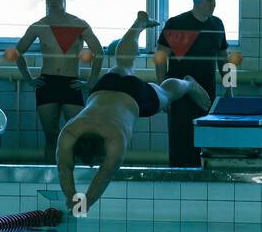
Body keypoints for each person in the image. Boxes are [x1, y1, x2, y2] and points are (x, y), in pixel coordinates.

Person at [57, 12, 212, 213]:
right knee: (123, 63)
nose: (96, 167)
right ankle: (138, 24)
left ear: (103, 150)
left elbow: (100, 177)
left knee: (166, 94)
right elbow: (64, 168)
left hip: (134, 97)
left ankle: (188, 84)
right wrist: (72, 197)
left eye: (97, 162)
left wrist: (80, 205)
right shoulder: (70, 131)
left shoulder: (114, 139)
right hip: (104, 87)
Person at [13, 0, 103, 163]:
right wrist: (29, 78)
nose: (54, 0)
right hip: (48, 83)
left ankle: (77, 176)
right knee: (51, 136)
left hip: (71, 83)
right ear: (45, 0)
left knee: (78, 136)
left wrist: (91, 81)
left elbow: (99, 52)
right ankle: (49, 177)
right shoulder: (39, 26)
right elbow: (17, 52)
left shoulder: (79, 24)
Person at [155, 0, 228, 167]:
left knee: (206, 142)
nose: (214, 4)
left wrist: (230, 87)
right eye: (210, 0)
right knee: (181, 142)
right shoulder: (177, 23)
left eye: (215, 0)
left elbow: (224, 58)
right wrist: (163, 92)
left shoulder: (217, 24)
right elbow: (161, 56)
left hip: (207, 93)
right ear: (198, 1)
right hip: (180, 94)